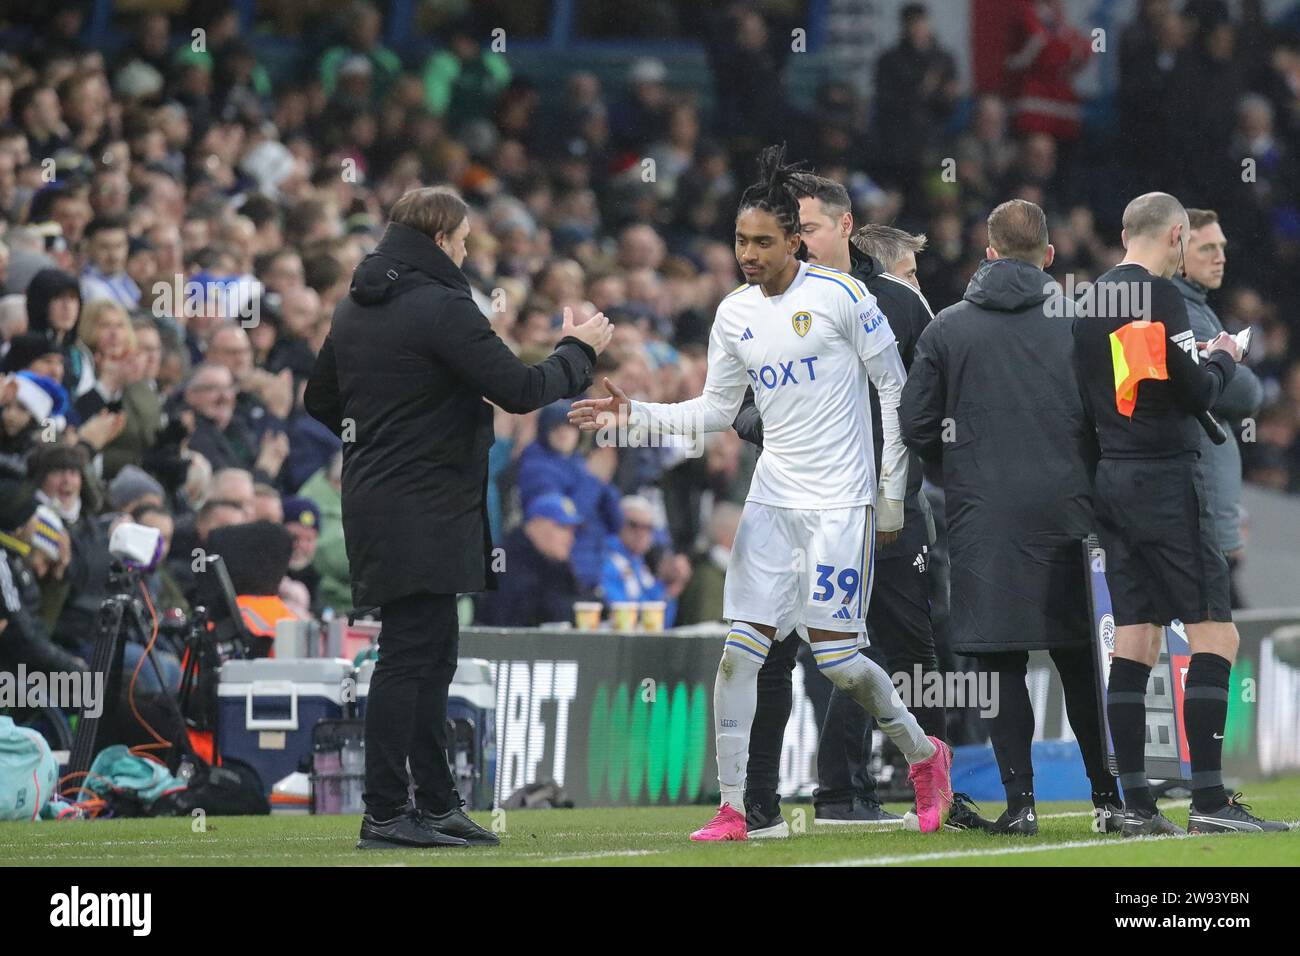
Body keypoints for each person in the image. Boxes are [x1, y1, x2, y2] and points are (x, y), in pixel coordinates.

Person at [569, 146, 952, 841]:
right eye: (741, 240)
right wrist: (638, 415)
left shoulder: (846, 298)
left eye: (763, 241)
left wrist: (892, 492)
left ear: (794, 241)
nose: (747, 254)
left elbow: (895, 391)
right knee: (739, 653)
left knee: (839, 663)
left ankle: (924, 755)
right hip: (772, 501)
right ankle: (736, 808)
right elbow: (717, 410)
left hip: (841, 503)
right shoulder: (734, 314)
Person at [305, 186, 611, 851]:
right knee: (410, 656)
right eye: (466, 241)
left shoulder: (353, 308)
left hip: (380, 500)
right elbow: (521, 389)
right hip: (426, 503)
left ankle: (436, 803)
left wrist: (382, 441)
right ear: (442, 239)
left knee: (430, 651)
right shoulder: (443, 305)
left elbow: (319, 398)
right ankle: (387, 812)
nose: (469, 254)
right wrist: (578, 350)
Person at [732, 173, 972, 833]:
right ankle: (770, 802)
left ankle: (929, 794)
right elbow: (741, 408)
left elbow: (934, 402)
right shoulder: (761, 304)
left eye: (807, 228)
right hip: (798, 508)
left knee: (909, 651)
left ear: (844, 227)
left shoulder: (898, 303)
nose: (797, 242)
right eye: (791, 231)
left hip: (888, 511)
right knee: (780, 653)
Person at [902, 199, 1120, 834]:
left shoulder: (947, 328)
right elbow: (1113, 421)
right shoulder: (1081, 323)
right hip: (1073, 517)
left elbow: (915, 425)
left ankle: (1020, 806)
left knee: (999, 666)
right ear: (1048, 255)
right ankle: (1108, 801)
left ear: (989, 252)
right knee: (1081, 663)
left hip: (984, 521)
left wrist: (966, 464)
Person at [1072, 191, 1286, 834]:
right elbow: (1194, 392)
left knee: (1135, 637)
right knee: (1216, 634)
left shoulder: (1091, 300)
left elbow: (1092, 400)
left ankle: (1136, 806)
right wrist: (1223, 356)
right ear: (1175, 237)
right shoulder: (1159, 296)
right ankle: (1210, 802)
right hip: (1165, 478)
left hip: (1112, 478)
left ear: (1123, 233)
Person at [1172, 210, 1263, 601]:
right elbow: (1243, 393)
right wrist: (1237, 372)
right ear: (1177, 252)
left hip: (1204, 511)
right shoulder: (1180, 309)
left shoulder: (1198, 306)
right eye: (1207, 248)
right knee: (1209, 626)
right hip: (1197, 511)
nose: (1220, 257)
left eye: (1222, 247)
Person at [476, 493, 586, 627]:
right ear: (537, 524)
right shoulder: (503, 558)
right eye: (563, 528)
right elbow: (513, 615)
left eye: (573, 531)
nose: (570, 538)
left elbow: (575, 600)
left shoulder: (557, 563)